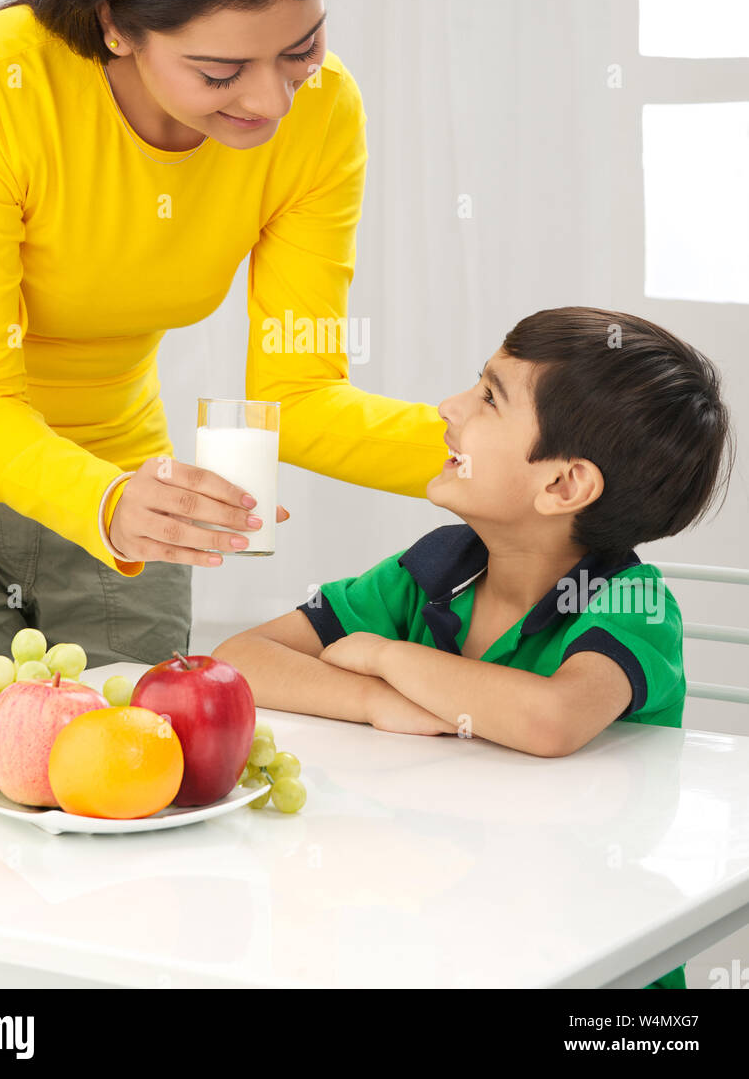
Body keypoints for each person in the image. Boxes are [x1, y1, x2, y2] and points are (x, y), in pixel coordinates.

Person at [0, 0, 449, 711]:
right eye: (221, 73)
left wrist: (486, 456)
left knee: (146, 770)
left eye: (300, 50)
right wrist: (107, 505)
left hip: (126, 471)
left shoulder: (324, 115)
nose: (270, 100)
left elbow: (298, 397)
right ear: (117, 26)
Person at [211, 305, 735, 990]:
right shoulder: (432, 569)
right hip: (462, 938)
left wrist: (383, 656)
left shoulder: (631, 603)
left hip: (599, 969)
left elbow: (550, 720)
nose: (448, 407)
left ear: (563, 485)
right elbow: (240, 661)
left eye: (489, 397)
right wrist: (375, 702)